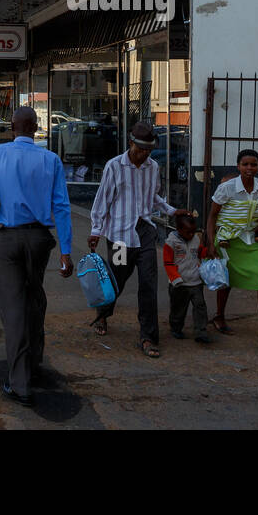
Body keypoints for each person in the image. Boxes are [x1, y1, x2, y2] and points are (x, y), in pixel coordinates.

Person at [0, 106, 74, 407]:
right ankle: (35, 363)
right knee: (34, 298)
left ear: (12, 126)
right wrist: (66, 252)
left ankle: (21, 383)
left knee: (13, 309)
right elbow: (62, 206)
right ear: (36, 127)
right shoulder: (51, 159)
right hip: (41, 239)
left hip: (9, 240)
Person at [88, 121, 196, 358]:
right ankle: (103, 314)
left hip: (145, 233)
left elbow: (154, 197)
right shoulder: (114, 166)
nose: (144, 154)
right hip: (119, 235)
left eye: (148, 150)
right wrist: (96, 230)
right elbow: (102, 200)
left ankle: (148, 337)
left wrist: (170, 210)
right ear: (131, 143)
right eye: (140, 149)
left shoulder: (153, 167)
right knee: (116, 281)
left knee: (148, 285)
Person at [204, 149, 258, 345]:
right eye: (245, 164)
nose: (249, 168)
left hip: (252, 240)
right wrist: (211, 243)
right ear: (238, 166)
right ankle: (219, 316)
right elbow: (212, 216)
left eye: (253, 165)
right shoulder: (227, 188)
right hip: (227, 240)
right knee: (226, 280)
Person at [163, 213, 211, 343]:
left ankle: (201, 331)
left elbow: (199, 251)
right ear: (179, 230)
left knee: (200, 306)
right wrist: (176, 278)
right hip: (179, 284)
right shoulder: (171, 243)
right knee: (178, 308)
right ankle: (176, 328)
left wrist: (208, 252)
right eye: (188, 232)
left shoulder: (195, 239)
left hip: (195, 281)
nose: (191, 235)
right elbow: (168, 263)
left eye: (193, 232)